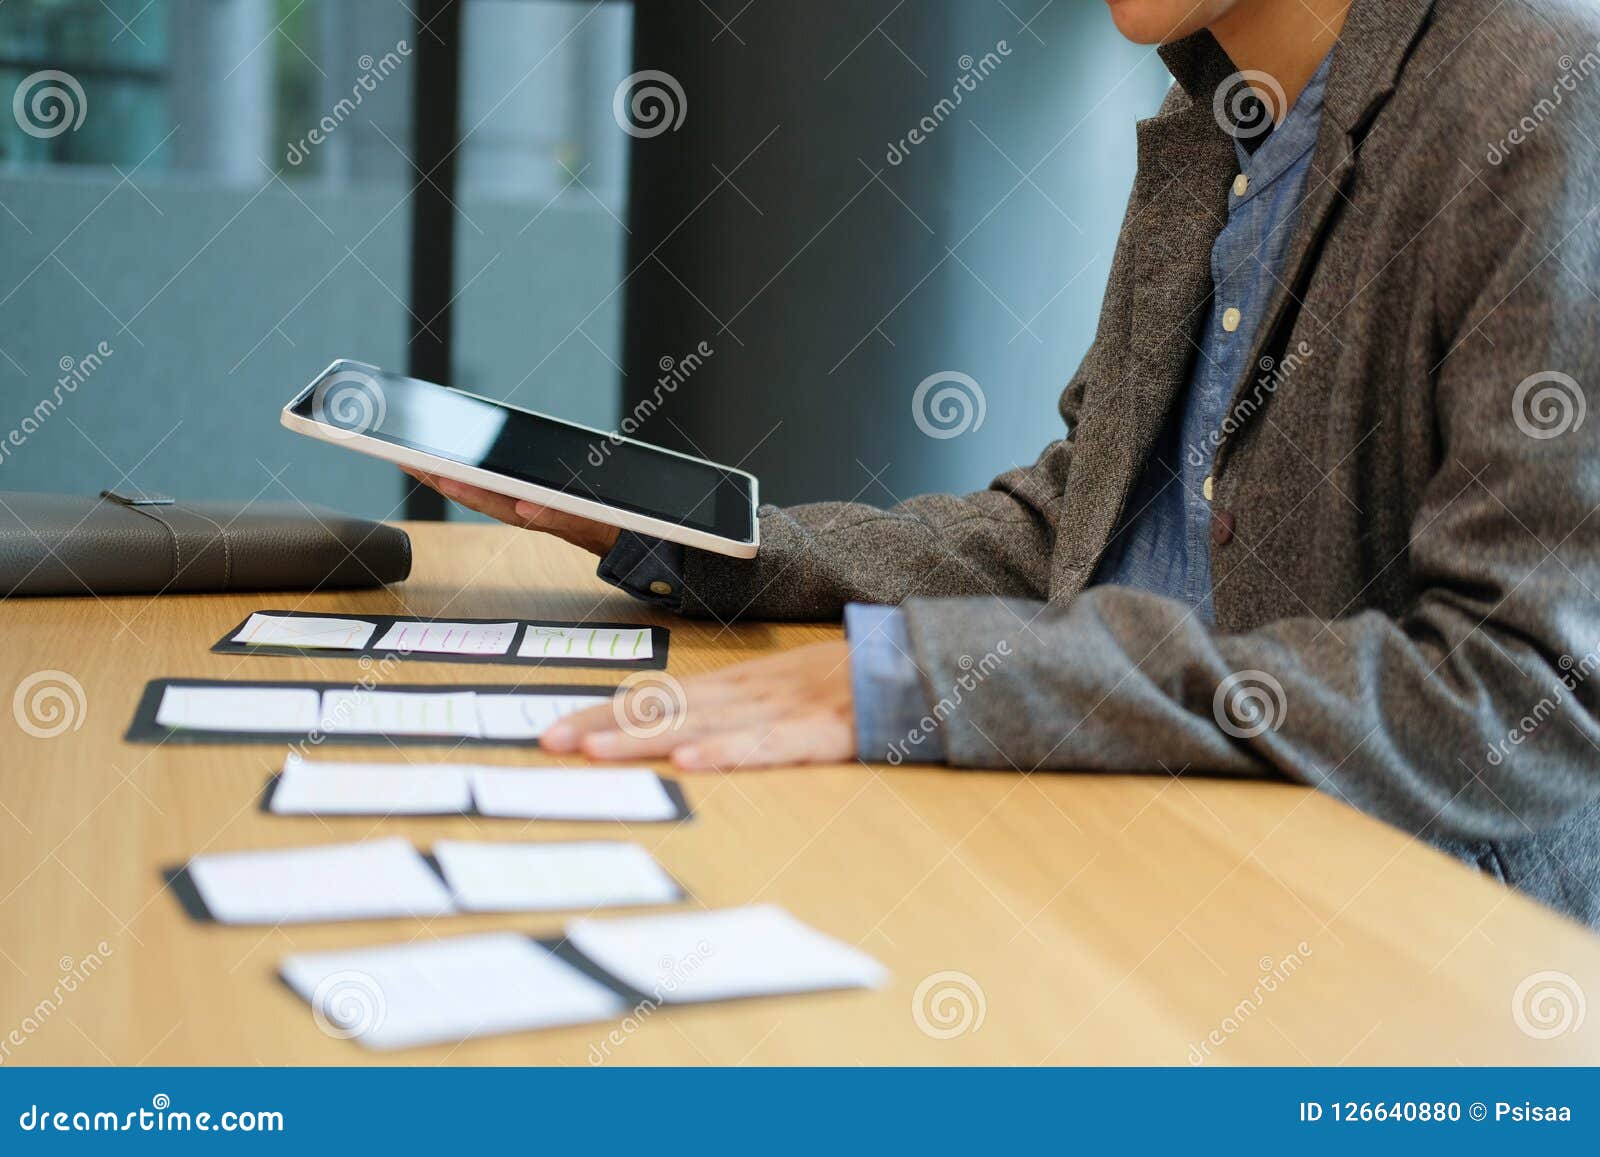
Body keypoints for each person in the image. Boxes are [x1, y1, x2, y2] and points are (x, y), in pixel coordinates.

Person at [409, 0, 1600, 926]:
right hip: (1141, 865)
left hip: (1402, 965)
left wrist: (955, 675)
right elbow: (1071, 527)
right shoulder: (1214, 122)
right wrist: (717, 532)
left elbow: (1527, 691)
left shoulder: (1544, 98)